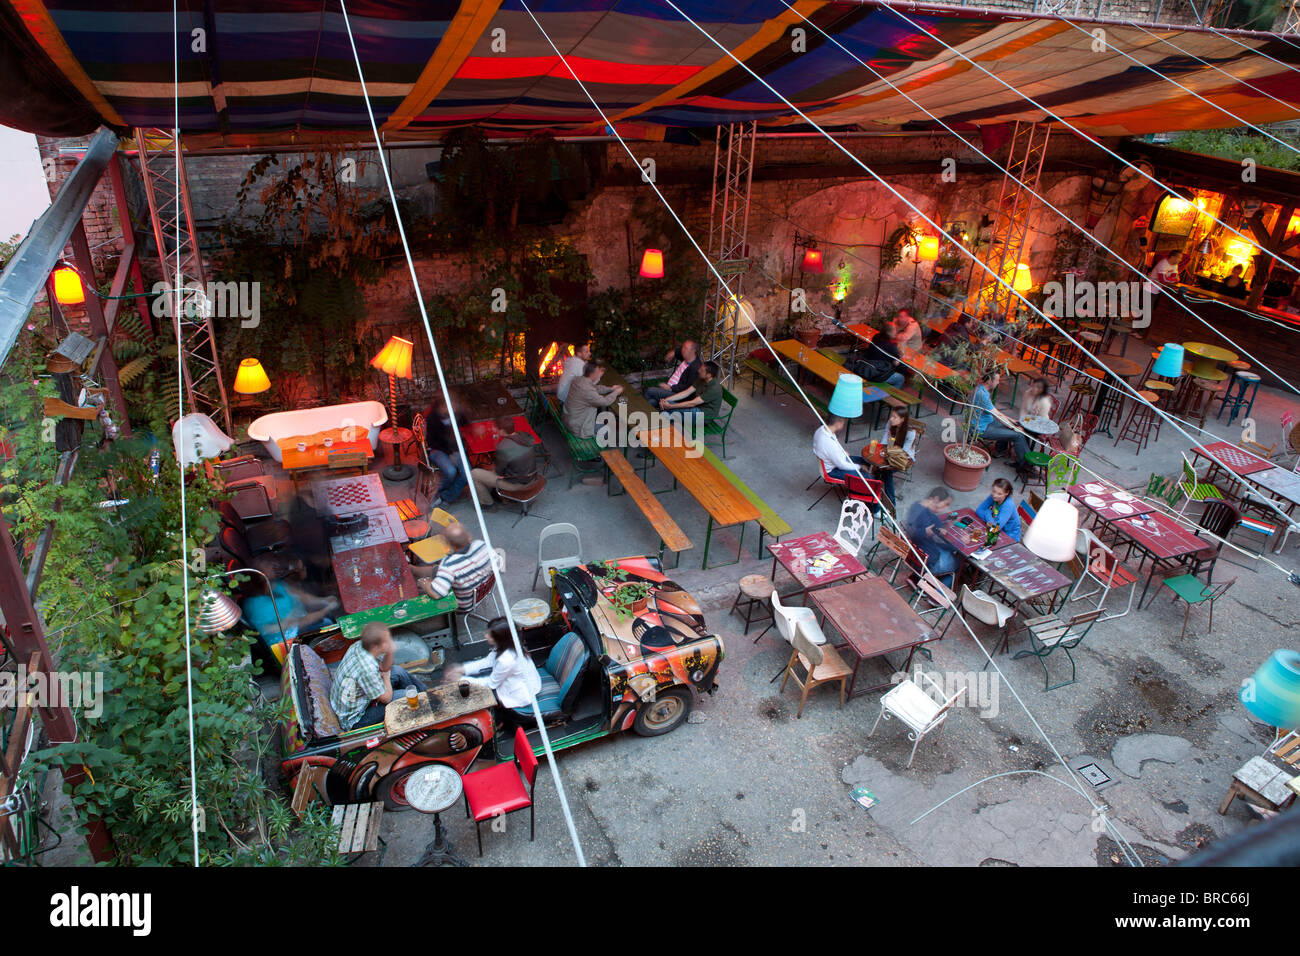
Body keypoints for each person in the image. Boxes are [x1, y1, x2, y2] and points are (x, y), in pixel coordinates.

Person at [445, 617, 541, 729]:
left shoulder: (506, 660)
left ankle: (498, 722)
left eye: (490, 635)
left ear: (500, 639)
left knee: (480, 694)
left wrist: (461, 680)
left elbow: (491, 684)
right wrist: (462, 668)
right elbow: (487, 661)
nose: (486, 636)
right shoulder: (509, 645)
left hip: (521, 693)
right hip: (523, 682)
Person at [330, 622, 426, 731]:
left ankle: (424, 695)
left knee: (398, 671)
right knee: (405, 695)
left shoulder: (360, 646)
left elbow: (384, 668)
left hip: (356, 698)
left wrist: (390, 653)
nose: (390, 642)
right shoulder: (367, 668)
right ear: (375, 646)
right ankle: (421, 709)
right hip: (354, 720)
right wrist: (385, 677)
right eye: (387, 641)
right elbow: (386, 698)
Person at [240, 555, 339, 655]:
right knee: (330, 625)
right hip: (287, 644)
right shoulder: (257, 606)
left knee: (329, 620)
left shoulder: (275, 584)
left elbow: (303, 596)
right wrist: (326, 610)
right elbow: (298, 622)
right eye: (267, 565)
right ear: (259, 575)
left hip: (301, 623)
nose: (273, 565)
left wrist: (324, 600)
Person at [414, 522, 496, 604]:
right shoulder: (481, 545)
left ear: (448, 545)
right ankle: (412, 569)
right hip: (484, 590)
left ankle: (415, 574)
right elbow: (498, 563)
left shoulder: (449, 565)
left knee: (427, 587)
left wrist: (424, 583)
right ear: (468, 536)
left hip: (465, 603)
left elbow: (436, 594)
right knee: (437, 569)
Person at [470, 415, 539, 507]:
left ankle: (487, 503)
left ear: (502, 431)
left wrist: (497, 447)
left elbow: (499, 472)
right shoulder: (524, 436)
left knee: (474, 474)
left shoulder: (503, 447)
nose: (494, 429)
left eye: (496, 428)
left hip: (519, 484)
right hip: (533, 477)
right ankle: (498, 494)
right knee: (491, 470)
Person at [971, 370, 1030, 473]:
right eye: (997, 380)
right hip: (981, 428)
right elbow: (997, 415)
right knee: (1018, 435)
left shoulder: (980, 389)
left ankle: (1000, 450)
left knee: (1010, 424)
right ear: (989, 381)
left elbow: (996, 412)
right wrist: (1014, 428)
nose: (998, 383)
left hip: (985, 422)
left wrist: (1012, 421)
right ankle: (1026, 467)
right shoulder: (982, 395)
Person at [904, 486, 959, 587]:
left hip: (913, 555)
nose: (946, 508)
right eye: (946, 504)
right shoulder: (923, 515)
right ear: (936, 499)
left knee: (950, 549)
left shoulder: (918, 505)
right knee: (959, 564)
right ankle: (937, 593)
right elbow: (918, 532)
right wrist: (926, 532)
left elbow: (935, 522)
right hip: (923, 560)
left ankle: (916, 578)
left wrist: (946, 524)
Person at [422, 396, 469, 506]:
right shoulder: (433, 418)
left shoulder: (456, 414)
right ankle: (440, 491)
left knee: (467, 474)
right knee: (451, 471)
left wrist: (460, 412)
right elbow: (432, 442)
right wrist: (450, 454)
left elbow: (466, 422)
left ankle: (445, 496)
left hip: (455, 449)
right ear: (440, 407)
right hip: (437, 450)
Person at [869, 407, 917, 506]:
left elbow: (904, 452)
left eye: (895, 417)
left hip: (905, 458)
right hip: (890, 452)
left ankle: (890, 502)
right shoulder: (890, 424)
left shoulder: (910, 433)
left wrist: (887, 454)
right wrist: (882, 451)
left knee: (886, 471)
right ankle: (874, 495)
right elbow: (885, 439)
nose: (891, 419)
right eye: (891, 416)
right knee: (879, 466)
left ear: (902, 419)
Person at [563, 360, 623, 439]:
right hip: (579, 428)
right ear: (592, 373)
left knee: (601, 418)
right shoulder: (587, 391)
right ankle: (603, 448)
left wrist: (611, 389)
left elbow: (595, 388)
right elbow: (605, 402)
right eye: (599, 371)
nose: (601, 374)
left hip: (569, 420)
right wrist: (616, 392)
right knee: (611, 430)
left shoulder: (578, 380)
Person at [660, 360, 722, 430]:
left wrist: (670, 406)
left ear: (709, 375)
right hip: (695, 408)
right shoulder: (702, 378)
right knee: (668, 407)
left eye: (701, 370)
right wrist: (666, 399)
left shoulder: (714, 388)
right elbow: (686, 392)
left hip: (703, 416)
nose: (698, 371)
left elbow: (692, 403)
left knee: (669, 410)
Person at [645, 340, 700, 409]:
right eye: (682, 347)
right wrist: (673, 352)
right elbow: (679, 351)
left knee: (650, 391)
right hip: (669, 389)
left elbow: (687, 388)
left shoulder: (696, 368)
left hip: (677, 394)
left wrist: (671, 388)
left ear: (693, 351)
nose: (682, 350)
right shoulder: (687, 356)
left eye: (685, 348)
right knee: (651, 402)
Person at [850, 322, 905, 388]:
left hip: (867, 365)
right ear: (888, 332)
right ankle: (889, 396)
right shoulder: (891, 346)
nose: (896, 332)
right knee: (901, 378)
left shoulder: (876, 337)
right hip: (877, 373)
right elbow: (895, 363)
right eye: (895, 330)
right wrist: (901, 357)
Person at [813, 416, 868, 480]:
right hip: (832, 470)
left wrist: (843, 453)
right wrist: (860, 467)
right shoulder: (829, 443)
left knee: (865, 461)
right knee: (867, 477)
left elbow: (835, 449)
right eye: (843, 423)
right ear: (838, 424)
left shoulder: (822, 429)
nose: (844, 424)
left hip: (834, 460)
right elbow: (842, 465)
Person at [975, 477, 1022, 543]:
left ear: (1007, 493)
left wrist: (987, 513)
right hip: (998, 530)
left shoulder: (1008, 505)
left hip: (1009, 536)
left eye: (999, 494)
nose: (995, 495)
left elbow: (995, 528)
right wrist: (991, 520)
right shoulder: (994, 497)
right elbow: (979, 510)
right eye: (994, 491)